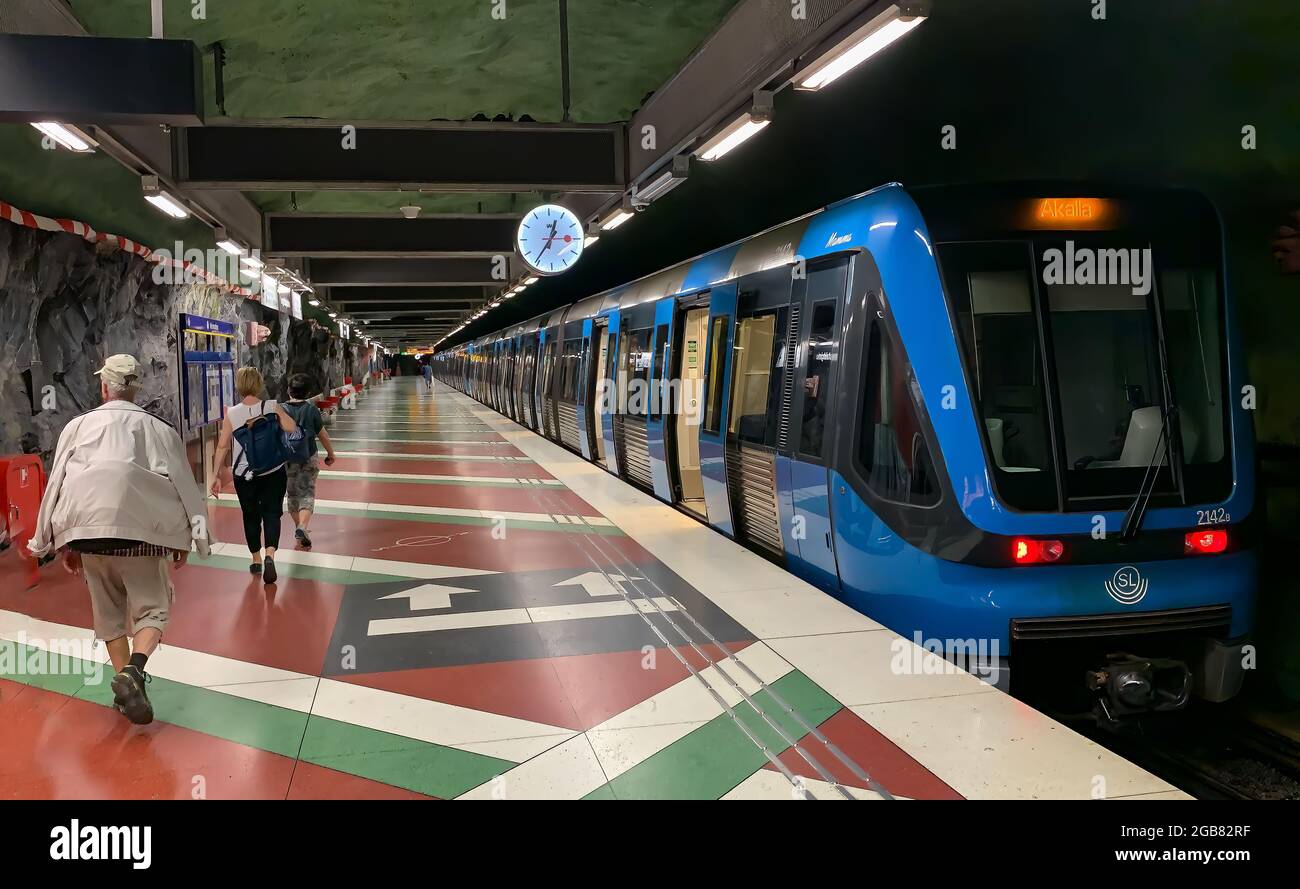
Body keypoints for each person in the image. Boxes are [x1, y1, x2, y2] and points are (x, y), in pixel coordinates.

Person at [29, 355, 213, 725]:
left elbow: (56, 484)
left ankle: (126, 687)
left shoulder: (77, 427)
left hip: (89, 536)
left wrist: (49, 540)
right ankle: (134, 671)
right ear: (136, 388)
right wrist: (197, 537)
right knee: (153, 610)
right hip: (141, 534)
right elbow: (184, 484)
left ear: (104, 387)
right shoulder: (160, 429)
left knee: (109, 614)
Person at [209, 366, 298, 585]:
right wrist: (276, 414)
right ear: (259, 384)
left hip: (244, 474)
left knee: (250, 515)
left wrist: (214, 476)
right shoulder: (270, 406)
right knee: (271, 514)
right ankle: (270, 555)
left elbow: (222, 446)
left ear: (238, 386)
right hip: (273, 471)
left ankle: (256, 559)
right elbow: (291, 427)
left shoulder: (232, 413)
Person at [280, 373, 336, 549]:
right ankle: (303, 526)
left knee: (292, 494)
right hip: (308, 456)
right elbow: (322, 435)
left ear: (289, 390)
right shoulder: (311, 410)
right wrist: (330, 453)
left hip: (286, 459)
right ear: (308, 392)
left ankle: (299, 527)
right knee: (307, 493)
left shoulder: (280, 410)